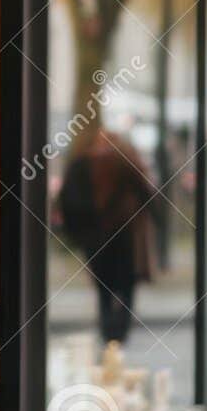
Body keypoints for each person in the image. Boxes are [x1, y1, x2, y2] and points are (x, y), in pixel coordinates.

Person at [55, 124, 156, 345]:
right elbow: (147, 195)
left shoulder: (82, 164)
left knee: (104, 286)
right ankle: (119, 330)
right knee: (126, 284)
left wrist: (78, 231)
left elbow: (68, 200)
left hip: (97, 236)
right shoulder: (127, 160)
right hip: (125, 234)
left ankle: (109, 329)